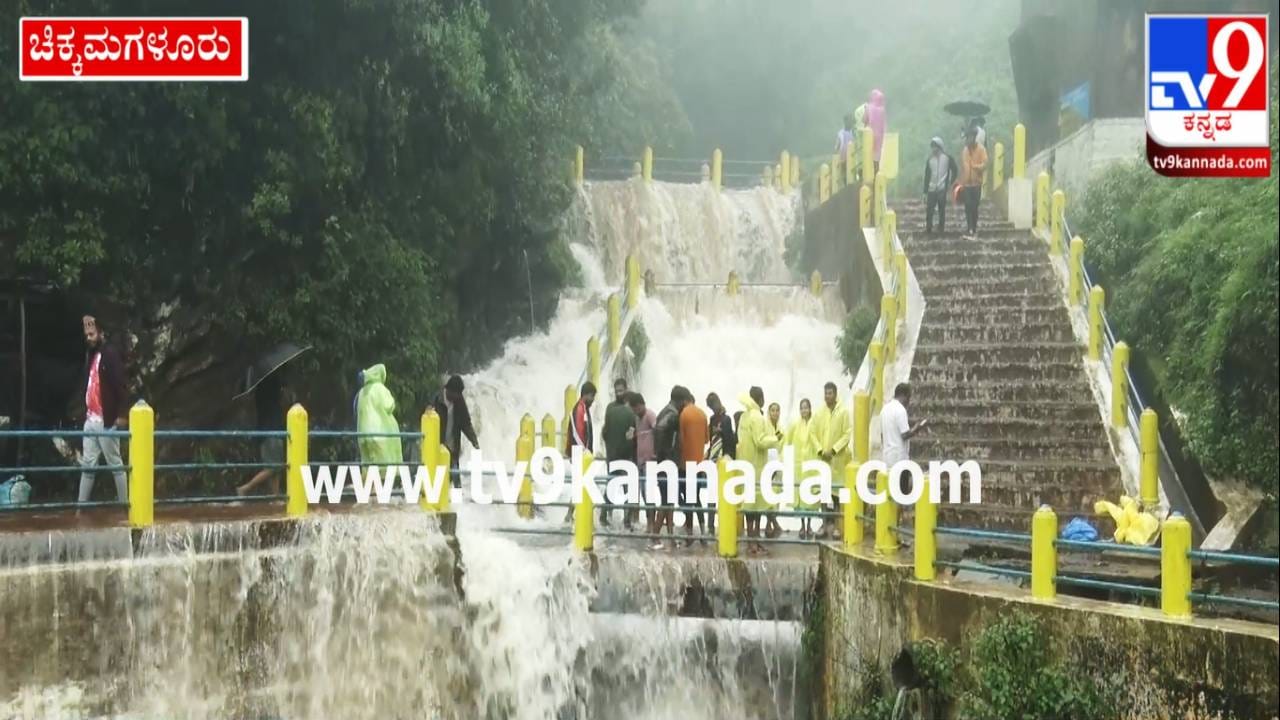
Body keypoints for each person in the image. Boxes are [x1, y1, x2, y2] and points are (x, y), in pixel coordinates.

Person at [76, 315, 129, 504]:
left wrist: (122, 415)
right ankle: (80, 508)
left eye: (92, 334)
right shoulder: (92, 356)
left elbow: (120, 385)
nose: (89, 337)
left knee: (115, 463)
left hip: (105, 420)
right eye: (87, 334)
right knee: (88, 466)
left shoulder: (110, 354)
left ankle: (125, 506)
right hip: (91, 419)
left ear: (101, 333)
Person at [736, 386, 779, 554]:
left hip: (745, 465)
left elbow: (741, 439)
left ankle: (752, 540)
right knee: (757, 505)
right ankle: (754, 541)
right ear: (760, 399)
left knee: (750, 505)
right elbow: (760, 441)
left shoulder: (744, 417)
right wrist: (776, 438)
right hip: (757, 466)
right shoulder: (758, 417)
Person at [237, 371, 287, 497]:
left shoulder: (257, 383)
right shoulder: (273, 379)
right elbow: (284, 397)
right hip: (273, 430)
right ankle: (245, 488)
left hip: (264, 429)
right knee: (275, 467)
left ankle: (275, 495)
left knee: (273, 466)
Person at [811, 381, 850, 539]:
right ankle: (824, 524)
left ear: (835, 394)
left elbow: (847, 433)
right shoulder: (819, 412)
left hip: (838, 459)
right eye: (826, 393)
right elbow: (812, 433)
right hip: (823, 459)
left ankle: (837, 526)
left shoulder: (844, 412)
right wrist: (820, 450)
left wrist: (834, 450)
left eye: (830, 393)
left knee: (838, 494)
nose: (827, 396)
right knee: (824, 493)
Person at [650, 386, 686, 548]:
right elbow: (660, 430)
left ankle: (670, 535)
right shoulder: (672, 414)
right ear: (679, 400)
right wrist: (667, 453)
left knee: (669, 500)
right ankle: (655, 535)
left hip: (663, 461)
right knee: (666, 500)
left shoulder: (665, 411)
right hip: (668, 462)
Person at [601, 378, 637, 528]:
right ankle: (625, 519)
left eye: (620, 390)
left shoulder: (610, 409)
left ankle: (606, 516)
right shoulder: (629, 412)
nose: (618, 393)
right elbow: (631, 435)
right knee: (625, 487)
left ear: (625, 390)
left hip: (614, 455)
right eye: (617, 391)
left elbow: (604, 433)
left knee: (613, 485)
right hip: (623, 456)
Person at [882, 384, 928, 496]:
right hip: (900, 459)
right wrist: (917, 428)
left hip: (887, 457)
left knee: (890, 493)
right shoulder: (900, 410)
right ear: (905, 395)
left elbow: (882, 435)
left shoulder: (885, 409)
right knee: (901, 493)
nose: (909, 401)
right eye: (909, 397)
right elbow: (905, 435)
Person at [433, 375, 480, 487]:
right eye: (456, 394)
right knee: (437, 480)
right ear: (448, 390)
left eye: (459, 395)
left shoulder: (459, 400)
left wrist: (474, 441)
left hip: (453, 447)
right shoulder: (436, 399)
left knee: (456, 482)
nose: (458, 397)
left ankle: (457, 503)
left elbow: (466, 423)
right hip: (437, 446)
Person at [354, 364, 403, 465]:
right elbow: (390, 405)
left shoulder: (361, 392)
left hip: (363, 435)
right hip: (380, 433)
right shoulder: (379, 388)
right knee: (384, 466)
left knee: (368, 465)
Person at [563, 381, 597, 523]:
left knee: (582, 486)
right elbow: (578, 433)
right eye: (592, 396)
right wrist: (584, 453)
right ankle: (571, 516)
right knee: (582, 486)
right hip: (580, 455)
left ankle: (572, 515)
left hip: (582, 455)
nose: (593, 400)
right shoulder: (579, 409)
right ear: (586, 395)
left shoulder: (584, 408)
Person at [678, 387, 709, 543]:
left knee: (689, 499)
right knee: (696, 498)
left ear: (684, 401)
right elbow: (706, 440)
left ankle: (689, 534)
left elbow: (681, 442)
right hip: (699, 463)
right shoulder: (703, 415)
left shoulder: (683, 414)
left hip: (685, 464)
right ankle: (703, 532)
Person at [786, 399, 819, 539]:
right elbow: (788, 442)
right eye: (802, 408)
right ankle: (802, 526)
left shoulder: (815, 424)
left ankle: (810, 526)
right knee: (800, 497)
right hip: (799, 466)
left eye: (806, 408)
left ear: (810, 409)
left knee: (810, 498)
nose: (804, 410)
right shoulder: (795, 425)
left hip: (811, 465)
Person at [629, 392, 658, 535]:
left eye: (635, 408)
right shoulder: (637, 418)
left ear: (641, 405)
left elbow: (658, 432)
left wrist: (656, 454)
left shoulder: (650, 415)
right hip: (640, 462)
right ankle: (649, 523)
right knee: (644, 494)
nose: (634, 411)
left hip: (650, 462)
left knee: (649, 494)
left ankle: (651, 525)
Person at [922, 137, 956, 234]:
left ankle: (941, 228)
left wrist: (950, 181)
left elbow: (955, 169)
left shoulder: (947, 158)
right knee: (930, 209)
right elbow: (927, 176)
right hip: (931, 188)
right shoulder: (930, 160)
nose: (933, 149)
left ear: (940, 147)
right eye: (932, 147)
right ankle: (929, 228)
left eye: (935, 147)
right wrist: (925, 191)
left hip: (942, 188)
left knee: (941, 209)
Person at [959, 127, 988, 239]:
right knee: (967, 206)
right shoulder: (965, 151)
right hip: (967, 184)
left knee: (975, 207)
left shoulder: (981, 149)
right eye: (967, 137)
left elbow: (985, 164)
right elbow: (964, 166)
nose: (968, 140)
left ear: (974, 137)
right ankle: (969, 228)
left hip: (976, 184)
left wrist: (976, 167)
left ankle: (974, 227)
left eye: (970, 137)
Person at [763, 402, 786, 539]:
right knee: (767, 497)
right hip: (767, 465)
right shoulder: (765, 427)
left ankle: (770, 524)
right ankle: (772, 524)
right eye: (772, 410)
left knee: (775, 497)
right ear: (769, 412)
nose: (775, 413)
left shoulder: (782, 429)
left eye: (777, 410)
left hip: (778, 465)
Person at [865, 89, 887, 174]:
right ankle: (876, 175)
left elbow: (865, 119)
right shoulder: (882, 110)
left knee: (868, 156)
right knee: (876, 158)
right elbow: (883, 124)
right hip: (879, 137)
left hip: (869, 135)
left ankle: (868, 175)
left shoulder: (868, 107)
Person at [835, 113, 856, 180]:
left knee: (852, 173)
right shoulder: (840, 133)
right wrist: (837, 158)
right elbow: (837, 146)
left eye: (851, 121)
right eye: (848, 121)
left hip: (853, 158)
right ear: (845, 122)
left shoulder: (853, 132)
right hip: (843, 158)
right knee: (845, 175)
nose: (850, 123)